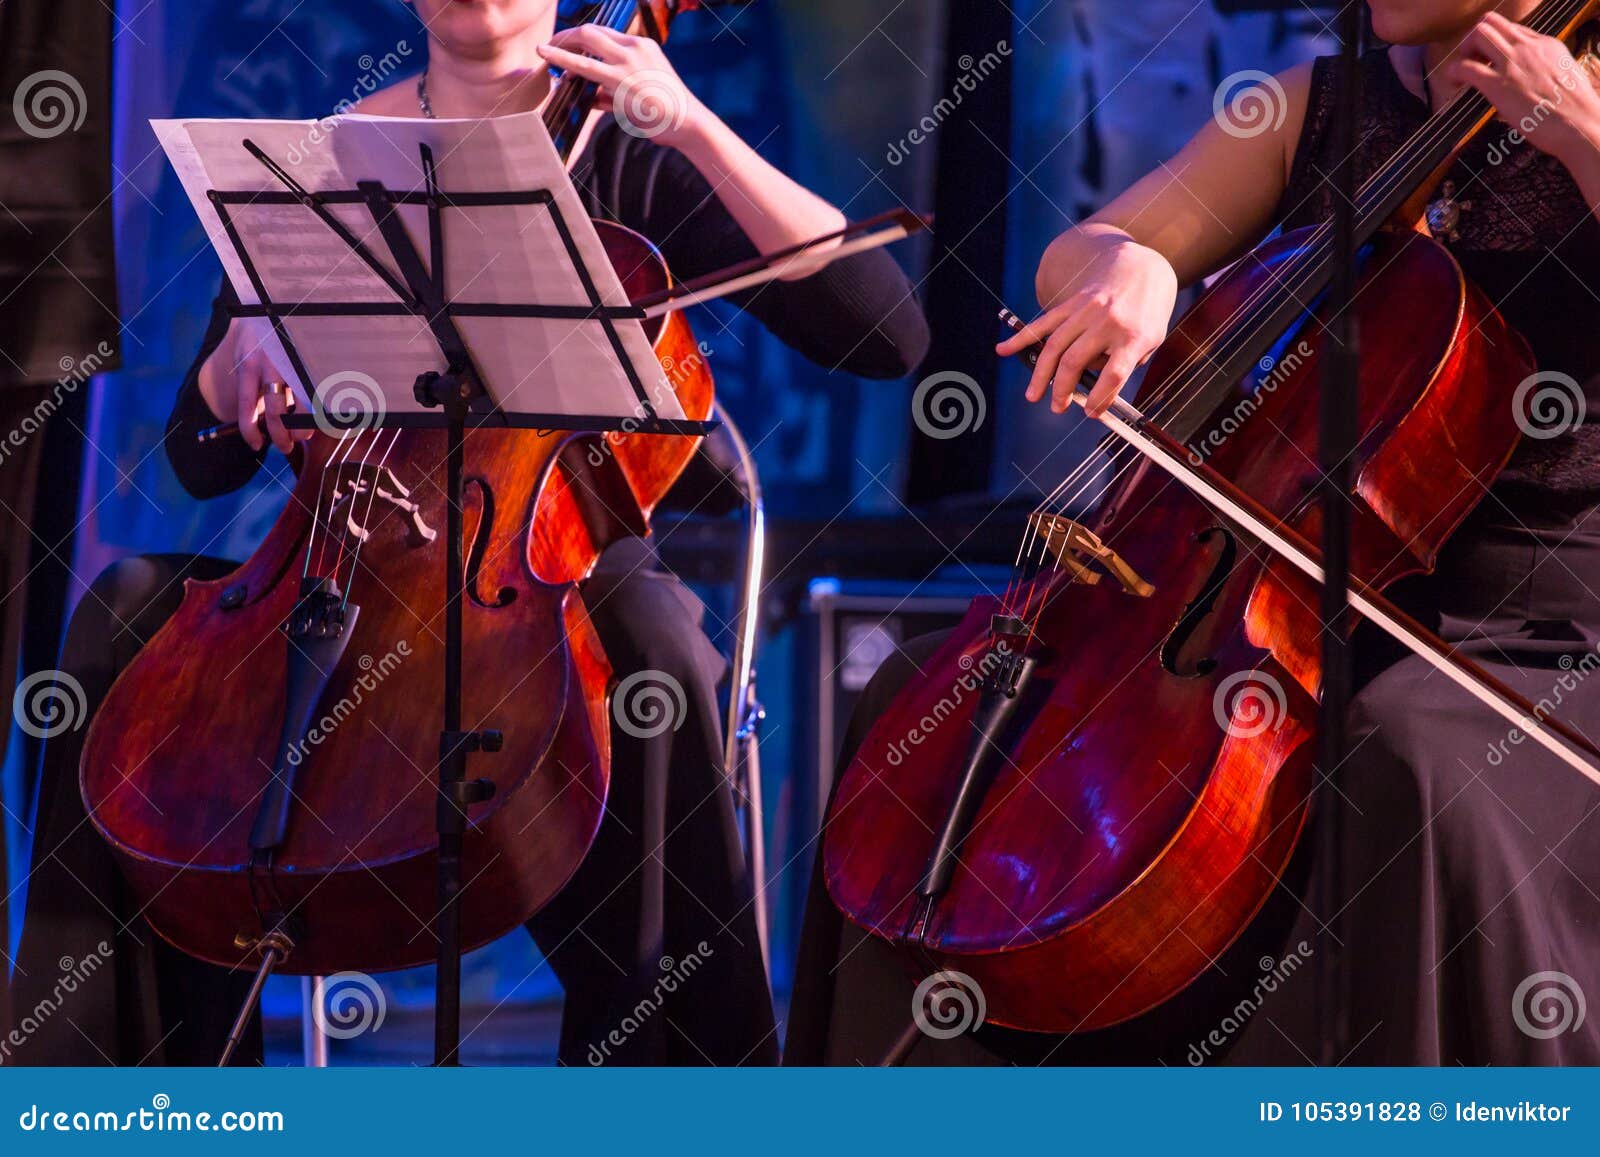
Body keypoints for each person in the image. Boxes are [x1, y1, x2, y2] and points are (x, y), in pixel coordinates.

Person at [11, 0, 928, 1067]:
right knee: (126, 615)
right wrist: (242, 351)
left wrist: (692, 127)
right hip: (338, 572)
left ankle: (676, 1087)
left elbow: (884, 333)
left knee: (657, 648)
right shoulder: (327, 156)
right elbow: (198, 453)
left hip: (544, 582)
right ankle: (109, 1088)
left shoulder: (621, 141)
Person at [790, 0, 1600, 1066]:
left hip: (1528, 627)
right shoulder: (1316, 101)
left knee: (1401, 745)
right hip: (1281, 588)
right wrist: (1131, 267)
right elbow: (1087, 247)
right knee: (922, 700)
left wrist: (1581, 136)